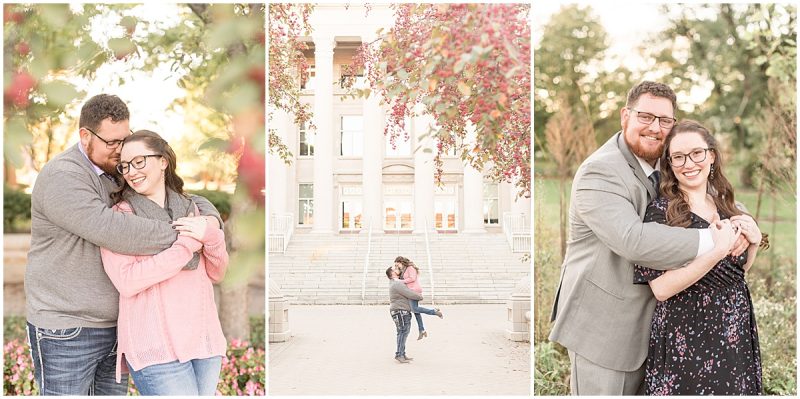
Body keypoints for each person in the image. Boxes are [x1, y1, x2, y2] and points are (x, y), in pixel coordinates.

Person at [548, 81, 747, 395]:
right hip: (607, 332)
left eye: (665, 121)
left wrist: (744, 221)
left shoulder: (668, 163)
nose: (655, 128)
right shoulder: (599, 172)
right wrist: (714, 242)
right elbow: (633, 240)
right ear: (625, 116)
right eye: (646, 117)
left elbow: (708, 201)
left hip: (663, 333)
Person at [24, 94, 222, 395]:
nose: (120, 151)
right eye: (112, 142)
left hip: (115, 327)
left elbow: (177, 196)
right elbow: (112, 228)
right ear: (85, 136)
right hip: (68, 327)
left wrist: (208, 220)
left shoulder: (119, 171)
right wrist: (189, 236)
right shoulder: (63, 176)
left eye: (124, 139)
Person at [634, 120, 765, 395]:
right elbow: (661, 289)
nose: (689, 163)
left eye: (697, 153)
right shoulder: (660, 214)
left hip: (734, 329)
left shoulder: (727, 206)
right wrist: (717, 251)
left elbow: (736, 276)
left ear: (712, 156)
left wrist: (752, 244)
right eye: (678, 157)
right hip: (686, 335)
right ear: (670, 163)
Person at [99, 131, 229, 395]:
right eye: (125, 166)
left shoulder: (194, 210)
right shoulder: (120, 218)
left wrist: (211, 235)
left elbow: (217, 272)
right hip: (154, 347)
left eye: (139, 161)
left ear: (163, 161)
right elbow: (128, 281)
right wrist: (188, 245)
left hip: (203, 341)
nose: (131, 172)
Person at [394, 256, 442, 340]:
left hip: (414, 290)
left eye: (398, 264)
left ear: (401, 262)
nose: (398, 266)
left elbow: (412, 278)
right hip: (409, 292)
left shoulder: (410, 268)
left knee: (414, 309)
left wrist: (401, 281)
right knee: (416, 312)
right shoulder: (404, 269)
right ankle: (422, 330)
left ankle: (434, 311)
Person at [386, 266, 423, 363]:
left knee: (402, 333)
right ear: (392, 273)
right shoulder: (397, 283)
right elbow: (409, 293)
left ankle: (401, 353)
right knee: (402, 332)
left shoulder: (396, 282)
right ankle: (399, 355)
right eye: (395, 269)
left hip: (400, 311)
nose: (398, 269)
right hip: (400, 311)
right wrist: (419, 296)